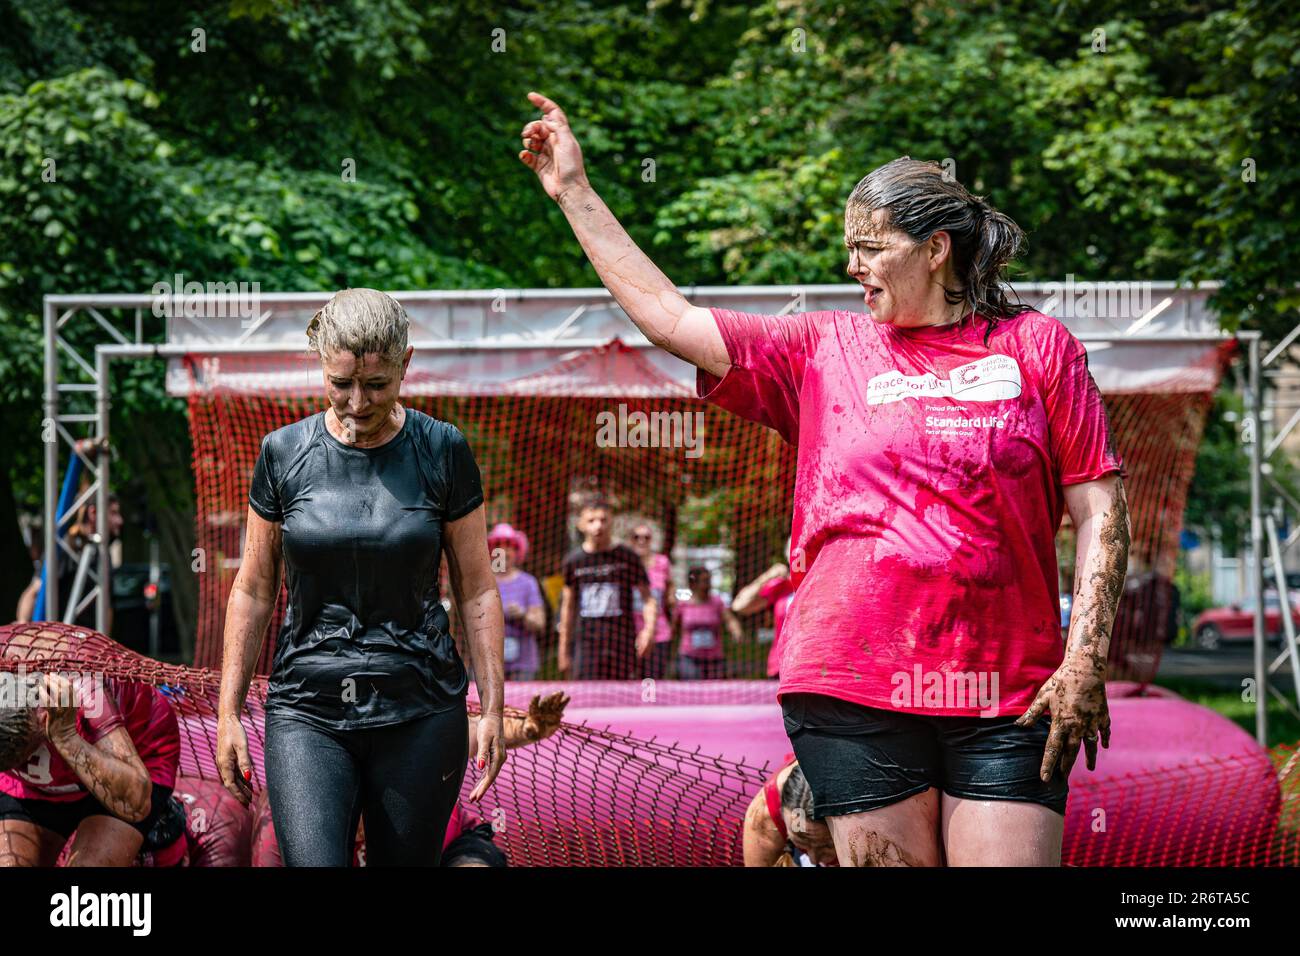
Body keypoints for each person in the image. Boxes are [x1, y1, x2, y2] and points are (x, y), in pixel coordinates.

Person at [520, 97, 1130, 867]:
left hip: (1008, 688)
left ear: (935, 248)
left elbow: (1100, 507)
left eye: (870, 247)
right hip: (851, 682)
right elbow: (668, 316)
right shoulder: (820, 347)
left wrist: (1085, 661)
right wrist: (573, 190)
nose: (852, 267)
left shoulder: (1038, 347)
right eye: (850, 248)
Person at [215, 287, 507, 867]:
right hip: (307, 709)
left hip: (420, 707)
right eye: (340, 383)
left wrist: (493, 705)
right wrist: (228, 713)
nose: (356, 402)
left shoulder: (443, 450)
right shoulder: (282, 453)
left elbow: (476, 588)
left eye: (376, 385)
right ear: (321, 367)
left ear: (407, 364)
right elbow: (252, 588)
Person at [0, 644, 182, 867]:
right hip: (36, 781)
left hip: (132, 756)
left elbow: (136, 803)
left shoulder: (82, 686)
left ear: (41, 715)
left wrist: (67, 738)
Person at [558, 496, 656, 680]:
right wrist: (563, 650)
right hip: (586, 645)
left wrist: (648, 630)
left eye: (603, 520)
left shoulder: (627, 557)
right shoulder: (573, 561)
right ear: (581, 524)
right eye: (591, 521)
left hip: (621, 644)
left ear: (611, 521)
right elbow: (568, 607)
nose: (598, 526)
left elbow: (648, 599)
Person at [742, 755, 838, 867]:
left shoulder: (861, 815)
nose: (814, 859)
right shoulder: (766, 812)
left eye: (828, 845)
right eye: (801, 842)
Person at [487, 523, 546, 681]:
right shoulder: (484, 583)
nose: (504, 551)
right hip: (488, 662)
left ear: (517, 551)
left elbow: (539, 623)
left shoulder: (528, 582)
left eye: (509, 546)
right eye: (498, 545)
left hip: (523, 664)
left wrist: (522, 615)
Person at [732, 535, 795, 678]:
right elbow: (739, 605)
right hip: (782, 665)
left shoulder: (820, 582)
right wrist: (767, 576)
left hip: (814, 664)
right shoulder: (781, 586)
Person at [672, 566, 741, 680]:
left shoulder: (717, 602)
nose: (708, 584)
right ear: (694, 584)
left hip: (714, 658)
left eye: (709, 580)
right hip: (689, 657)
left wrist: (736, 630)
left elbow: (730, 619)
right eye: (705, 581)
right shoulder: (683, 605)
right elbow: (674, 627)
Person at [628, 522, 674, 679]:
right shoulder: (625, 564)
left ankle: (650, 703)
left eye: (646, 537)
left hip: (658, 633)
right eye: (636, 537)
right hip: (630, 632)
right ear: (631, 540)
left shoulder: (662, 563)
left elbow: (669, 593)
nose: (641, 541)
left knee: (651, 681)